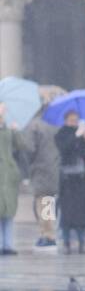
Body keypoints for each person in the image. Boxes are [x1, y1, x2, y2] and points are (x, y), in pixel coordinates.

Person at [54, 111, 85, 254]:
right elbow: (64, 149)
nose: (74, 123)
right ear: (65, 121)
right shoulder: (61, 134)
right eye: (71, 120)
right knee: (67, 213)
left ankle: (82, 242)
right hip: (67, 181)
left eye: (76, 120)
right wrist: (76, 135)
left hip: (81, 179)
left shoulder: (82, 134)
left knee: (81, 213)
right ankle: (66, 242)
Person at [22, 103, 60, 250]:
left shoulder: (35, 125)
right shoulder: (55, 126)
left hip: (39, 169)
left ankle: (48, 235)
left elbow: (29, 148)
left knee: (42, 204)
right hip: (53, 168)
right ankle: (48, 233)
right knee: (48, 203)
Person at [0, 103, 30, 255]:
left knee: (9, 212)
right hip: (6, 176)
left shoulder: (10, 131)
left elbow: (23, 146)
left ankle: (7, 244)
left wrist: (16, 131)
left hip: (9, 177)